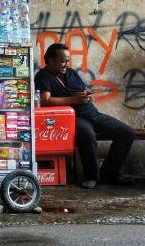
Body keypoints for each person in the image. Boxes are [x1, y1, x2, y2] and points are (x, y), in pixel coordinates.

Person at [35, 43, 134, 189]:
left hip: (93, 114)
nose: (66, 64)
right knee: (87, 134)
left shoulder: (71, 73)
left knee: (126, 132)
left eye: (68, 61)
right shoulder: (43, 76)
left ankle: (109, 173)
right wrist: (73, 100)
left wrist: (86, 94)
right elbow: (45, 100)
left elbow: (82, 89)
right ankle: (91, 176)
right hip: (73, 117)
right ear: (50, 60)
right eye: (63, 61)